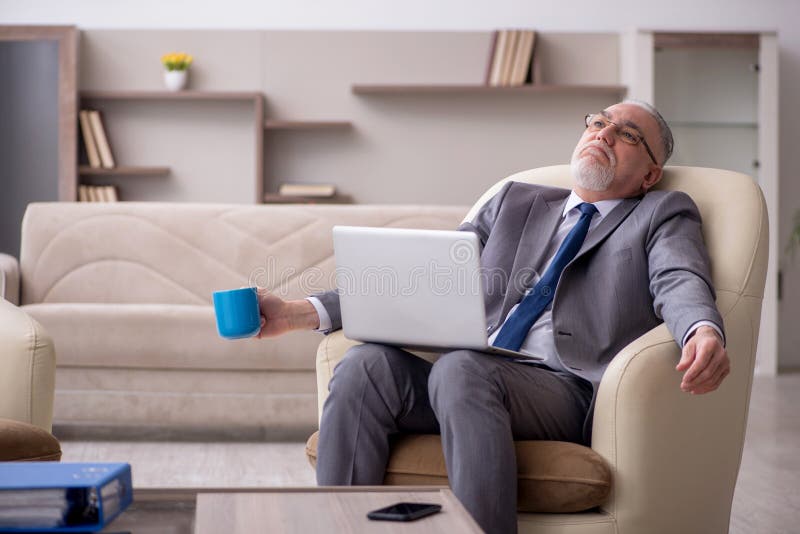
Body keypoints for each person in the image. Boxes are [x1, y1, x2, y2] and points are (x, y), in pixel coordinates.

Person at [254, 100, 729, 534]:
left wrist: (700, 329)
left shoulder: (662, 212)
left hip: (560, 388)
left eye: (627, 135)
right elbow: (424, 277)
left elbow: (679, 277)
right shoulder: (513, 201)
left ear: (649, 175)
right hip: (466, 373)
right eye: (599, 122)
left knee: (462, 367)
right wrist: (297, 313)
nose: (604, 134)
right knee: (364, 366)